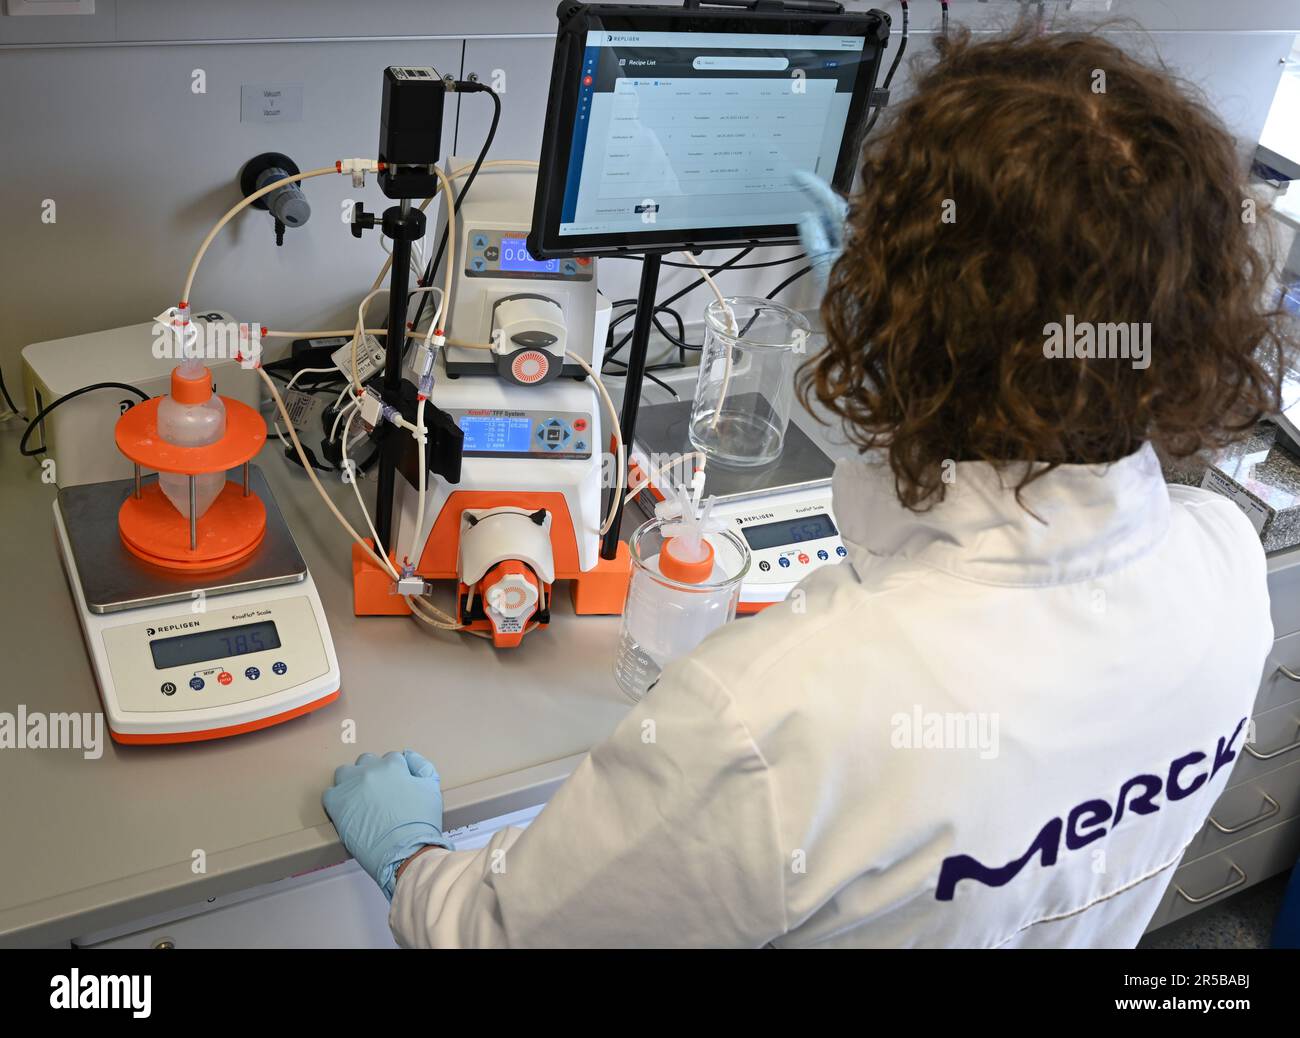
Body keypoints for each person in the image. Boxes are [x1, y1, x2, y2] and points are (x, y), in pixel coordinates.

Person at [323, 24, 1294, 947]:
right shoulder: (1224, 565)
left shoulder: (780, 717)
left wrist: (413, 856)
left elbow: (502, 938)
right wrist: (894, 368)